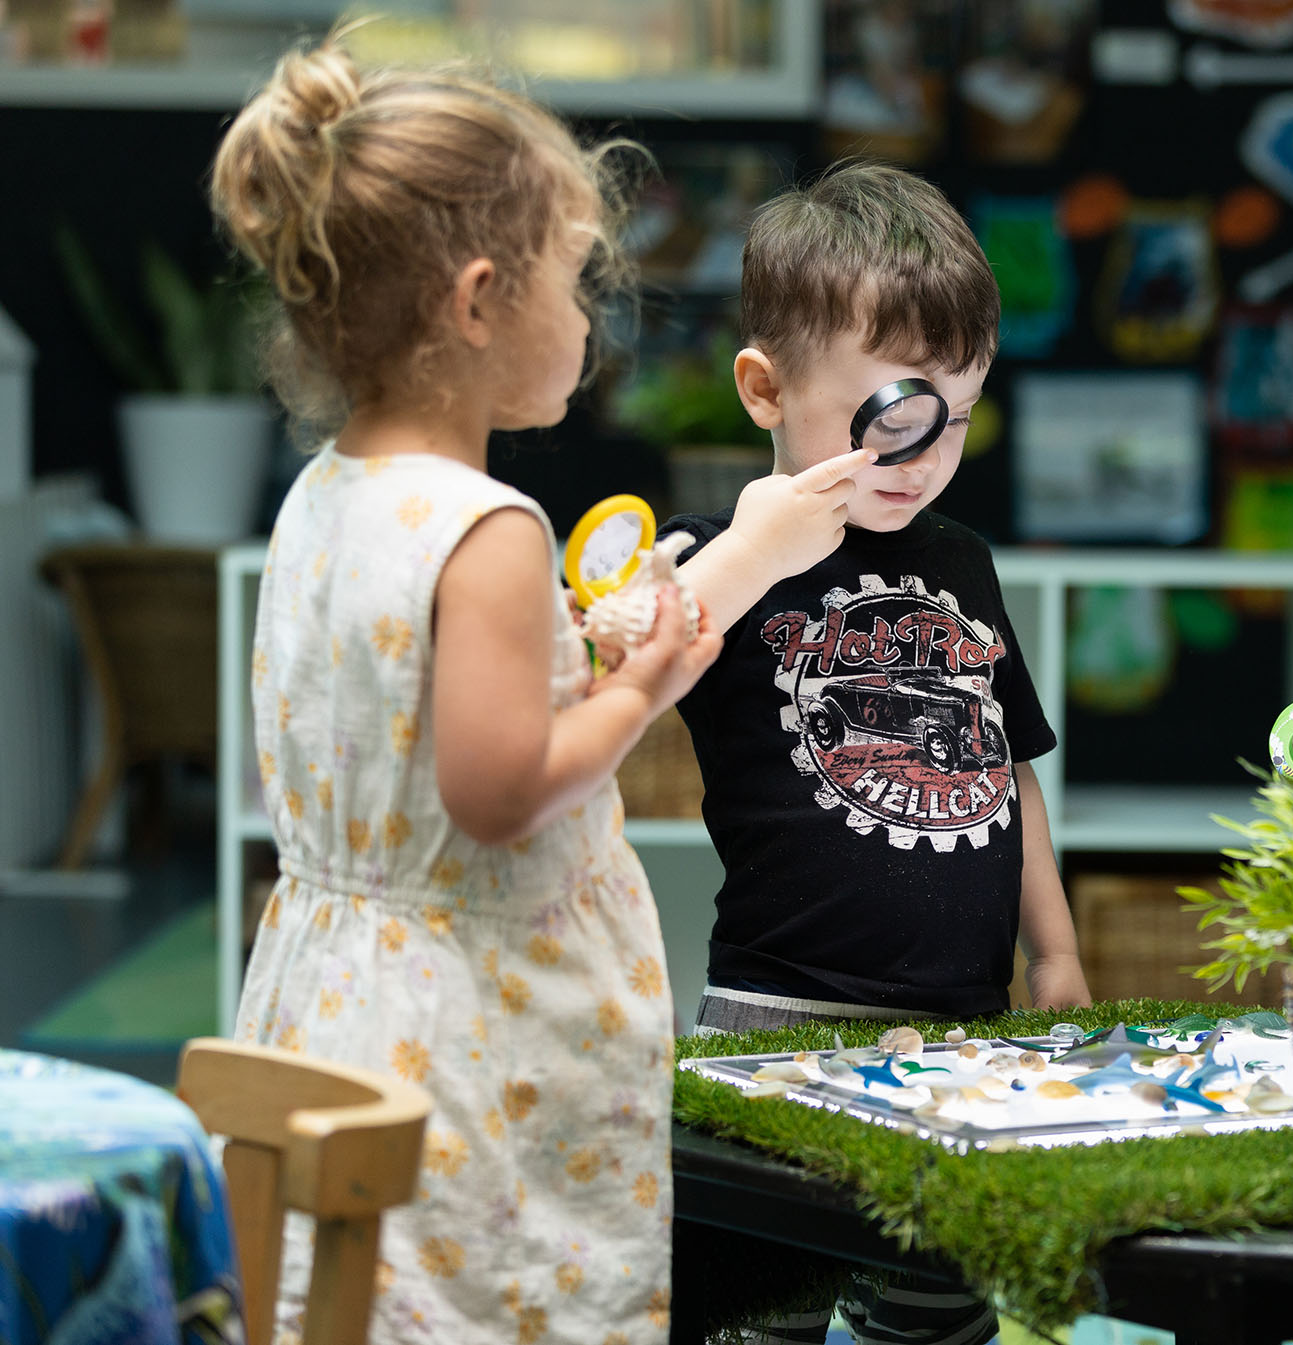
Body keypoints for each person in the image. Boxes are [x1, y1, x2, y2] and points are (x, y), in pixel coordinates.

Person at [210, 36, 868, 1342]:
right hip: (471, 1059)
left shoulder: (325, 496)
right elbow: (499, 788)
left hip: (328, 1007)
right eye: (576, 284)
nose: (590, 318)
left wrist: (622, 629)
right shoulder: (489, 526)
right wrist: (647, 686)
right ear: (474, 301)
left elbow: (414, 732)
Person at [665, 160, 1092, 1344]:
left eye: (954, 419)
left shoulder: (959, 560)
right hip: (773, 1019)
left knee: (937, 1325)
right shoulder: (720, 554)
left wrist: (1051, 948)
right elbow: (635, 668)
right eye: (893, 418)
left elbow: (1005, 764)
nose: (923, 455)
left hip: (964, 1024)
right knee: (754, 1323)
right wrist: (757, 551)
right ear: (764, 387)